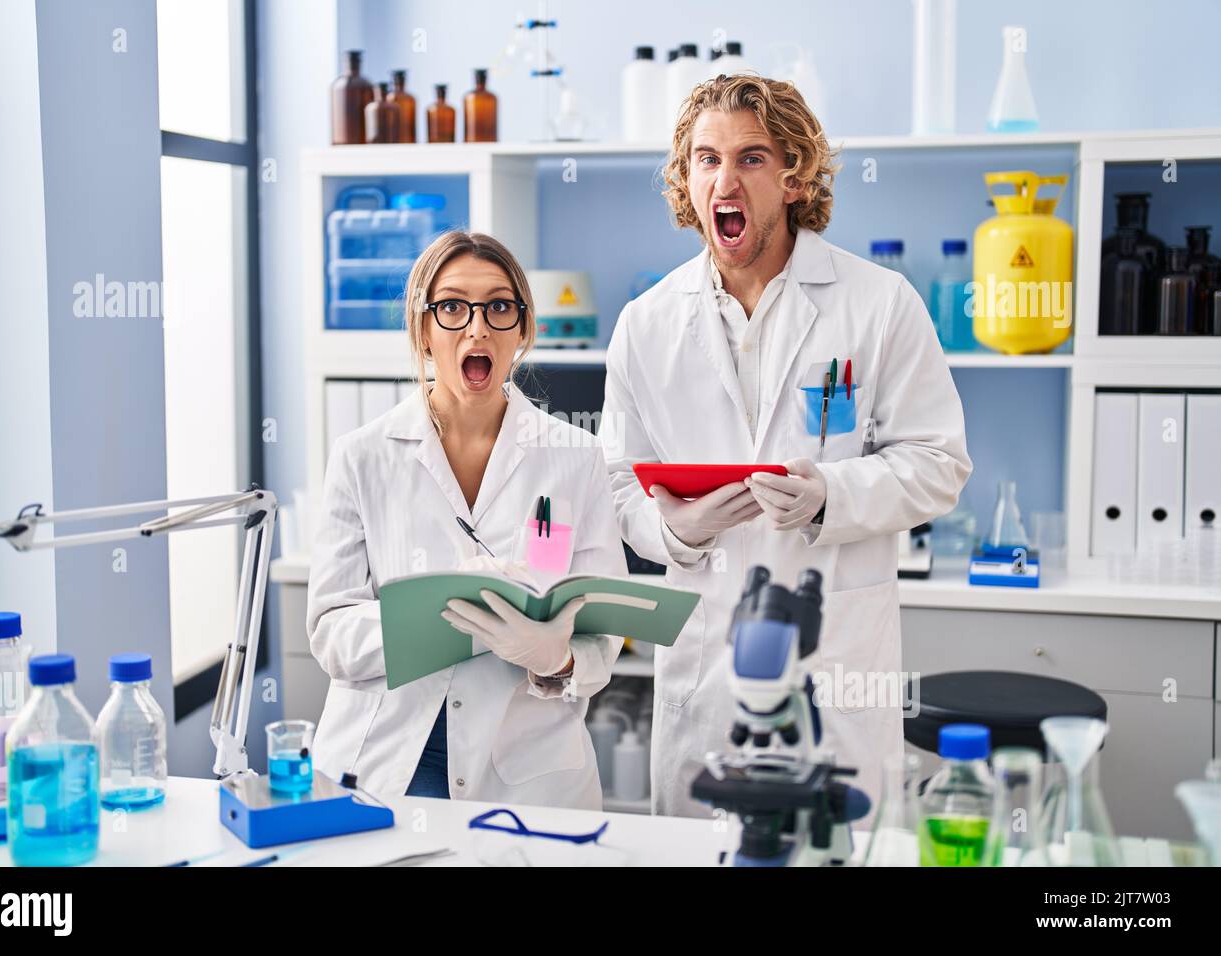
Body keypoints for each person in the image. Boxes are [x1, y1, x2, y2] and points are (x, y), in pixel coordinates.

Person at [600, 74, 972, 818]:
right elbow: (613, 481)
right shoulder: (645, 323)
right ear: (686, 179)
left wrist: (832, 496)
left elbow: (939, 463)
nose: (723, 180)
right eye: (705, 160)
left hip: (832, 660)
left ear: (795, 177)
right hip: (703, 665)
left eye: (751, 158)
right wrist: (673, 528)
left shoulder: (878, 303)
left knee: (829, 845)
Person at [307, 231, 627, 808]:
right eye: (452, 307)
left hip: (529, 773)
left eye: (499, 307)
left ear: (524, 330)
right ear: (422, 328)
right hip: (387, 761)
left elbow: (605, 628)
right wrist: (444, 622)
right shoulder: (363, 455)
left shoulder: (577, 458)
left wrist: (554, 657)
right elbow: (331, 632)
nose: (477, 328)